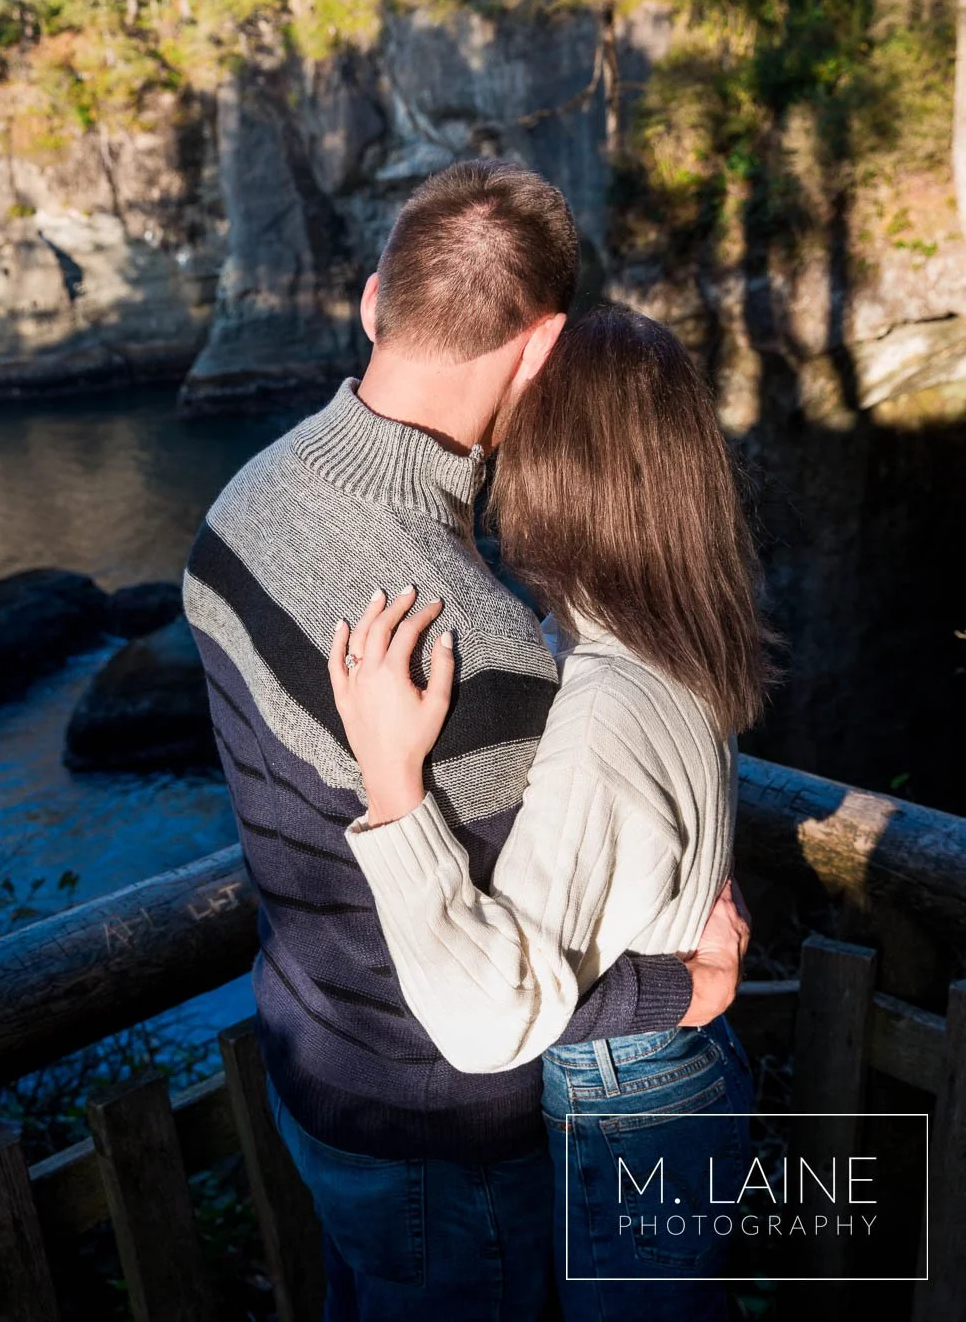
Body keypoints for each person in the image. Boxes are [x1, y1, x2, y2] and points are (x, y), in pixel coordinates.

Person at [183, 162, 749, 1322]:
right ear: (542, 350)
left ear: (372, 298)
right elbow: (517, 980)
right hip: (442, 1131)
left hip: (310, 1053)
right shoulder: (472, 644)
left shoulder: (241, 501)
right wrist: (681, 990)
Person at [328, 304, 772, 1320]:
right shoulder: (670, 630)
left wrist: (392, 781)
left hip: (629, 1100)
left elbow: (489, 1025)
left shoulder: (604, 705)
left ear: (556, 471)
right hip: (674, 1075)